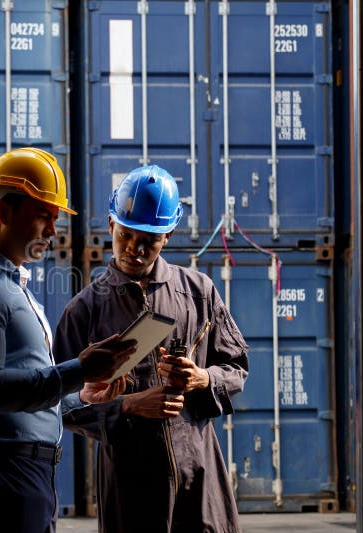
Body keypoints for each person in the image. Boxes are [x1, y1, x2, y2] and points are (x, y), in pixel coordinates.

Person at [0, 147, 137, 533]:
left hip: (24, 473)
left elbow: (26, 394)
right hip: (4, 473)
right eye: (43, 217)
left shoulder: (15, 289)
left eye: (54, 219)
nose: (53, 231)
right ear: (3, 212)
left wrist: (83, 392)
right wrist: (78, 370)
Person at [53, 165, 249, 532]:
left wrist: (202, 378)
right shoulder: (85, 310)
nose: (135, 250)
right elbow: (56, 404)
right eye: (126, 235)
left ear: (169, 235)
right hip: (130, 485)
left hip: (200, 475)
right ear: (111, 224)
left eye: (149, 240)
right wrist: (126, 406)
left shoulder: (199, 291)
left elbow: (236, 365)